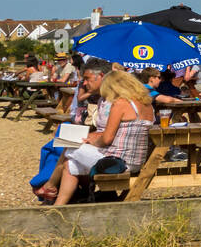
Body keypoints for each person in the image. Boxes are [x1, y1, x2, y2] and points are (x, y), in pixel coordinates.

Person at [42, 69, 154, 205]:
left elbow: (106, 139)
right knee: (70, 164)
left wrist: (90, 141)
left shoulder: (120, 104)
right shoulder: (146, 104)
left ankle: (53, 192)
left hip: (118, 161)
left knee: (70, 148)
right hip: (135, 161)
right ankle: (59, 207)